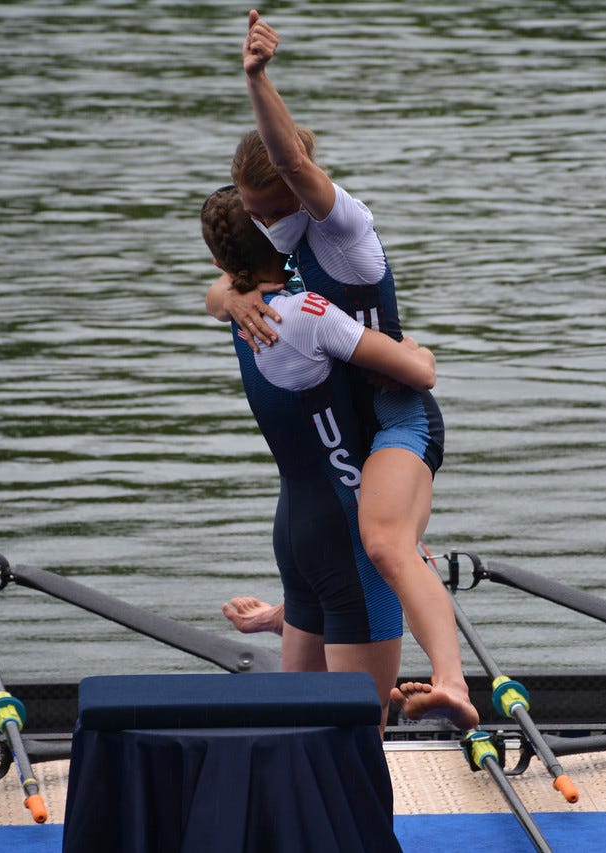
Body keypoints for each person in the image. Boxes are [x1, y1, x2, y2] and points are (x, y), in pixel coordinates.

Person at [221, 9, 478, 730]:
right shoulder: (286, 239)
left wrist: (257, 78)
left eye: (273, 208)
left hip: (400, 411)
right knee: (377, 538)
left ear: (300, 191)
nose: (267, 224)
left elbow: (295, 163)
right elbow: (226, 279)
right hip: (363, 422)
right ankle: (301, 616)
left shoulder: (343, 227)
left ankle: (453, 680)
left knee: (386, 542)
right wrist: (231, 292)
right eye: (253, 213)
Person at [202, 185, 444, 730]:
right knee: (358, 741)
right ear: (283, 239)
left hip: (296, 534)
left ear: (221, 261)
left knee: (301, 734)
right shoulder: (309, 313)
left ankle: (285, 619)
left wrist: (225, 293)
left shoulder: (244, 314)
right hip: (349, 538)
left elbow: (216, 295)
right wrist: (417, 351)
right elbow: (417, 373)